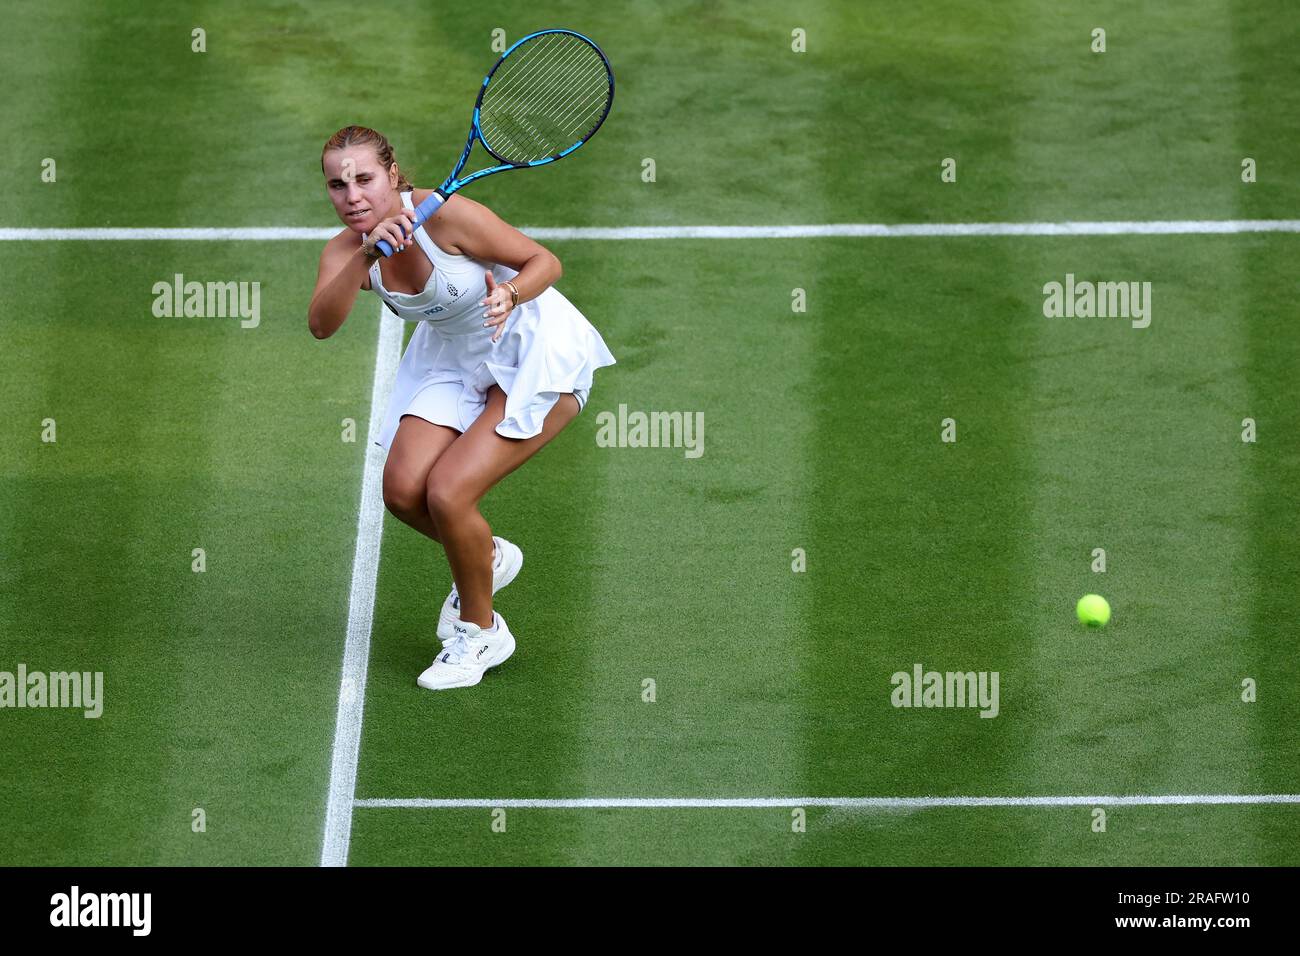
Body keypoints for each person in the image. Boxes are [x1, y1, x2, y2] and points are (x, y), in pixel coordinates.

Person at [308, 125, 615, 690]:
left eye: (364, 179)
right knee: (402, 491)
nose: (351, 195)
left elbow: (542, 261)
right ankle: (486, 555)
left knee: (448, 492)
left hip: (527, 347)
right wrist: (363, 256)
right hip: (451, 359)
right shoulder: (344, 249)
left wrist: (511, 292)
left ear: (393, 175)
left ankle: (481, 633)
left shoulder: (444, 216)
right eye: (337, 184)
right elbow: (322, 324)